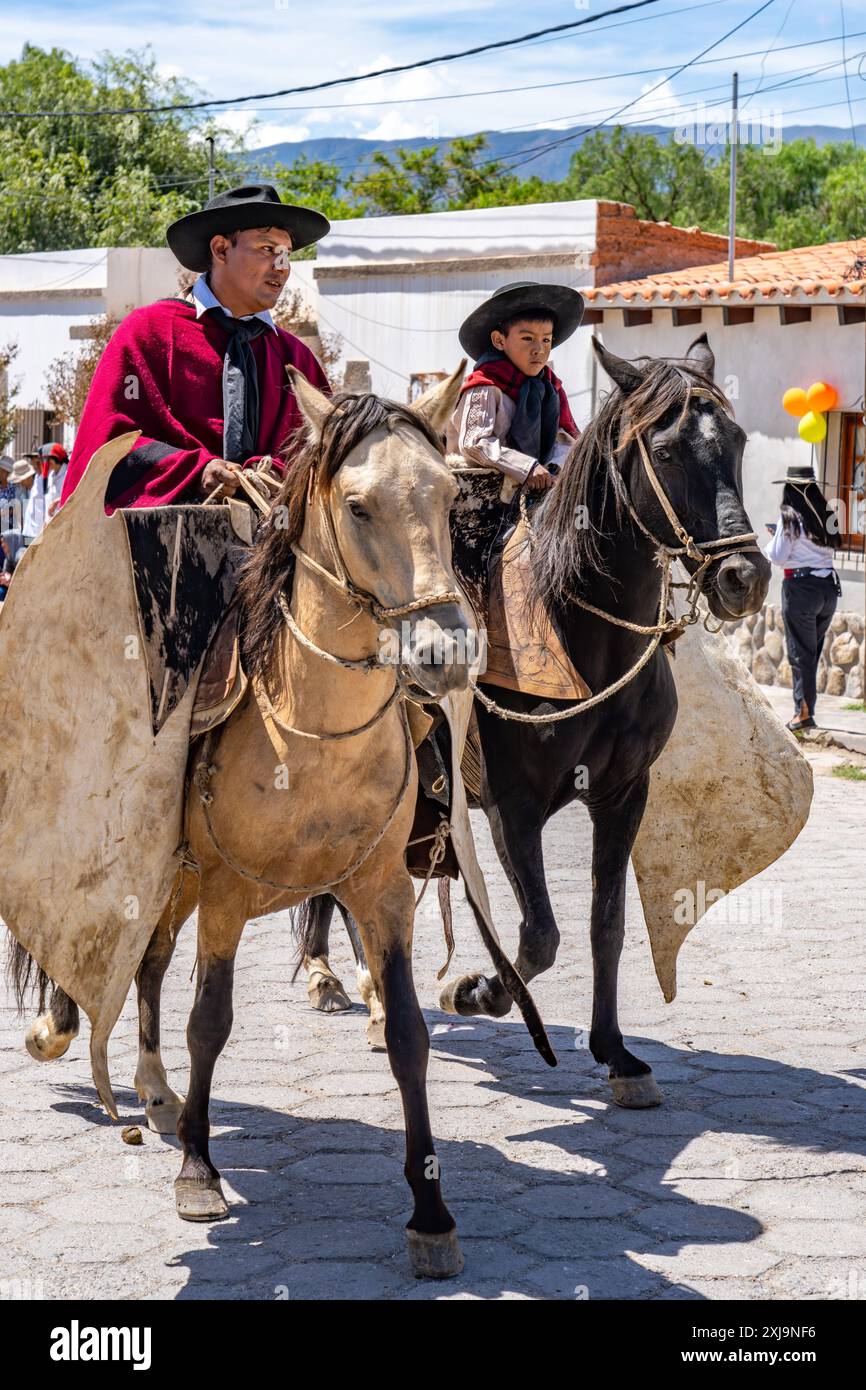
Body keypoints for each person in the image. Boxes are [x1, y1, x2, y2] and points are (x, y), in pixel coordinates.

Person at [61, 185, 331, 511]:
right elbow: (108, 447)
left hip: (274, 551)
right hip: (159, 554)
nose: (282, 266)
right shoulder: (147, 336)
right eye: (267, 248)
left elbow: (323, 461)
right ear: (220, 249)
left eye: (287, 253)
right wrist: (197, 472)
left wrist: (271, 474)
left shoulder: (298, 360)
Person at [447, 281, 584, 491]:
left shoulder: (551, 389)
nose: (539, 349)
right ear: (499, 341)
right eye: (527, 338)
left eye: (546, 340)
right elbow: (474, 443)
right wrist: (527, 468)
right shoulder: (484, 387)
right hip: (482, 500)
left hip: (541, 490)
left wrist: (552, 469)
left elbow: (564, 439)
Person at [764, 462, 841, 732]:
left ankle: (803, 713)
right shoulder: (824, 512)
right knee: (811, 652)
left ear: (789, 487)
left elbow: (777, 556)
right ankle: (807, 709)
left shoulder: (789, 515)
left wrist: (771, 540)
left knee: (800, 655)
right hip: (827, 589)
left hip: (800, 588)